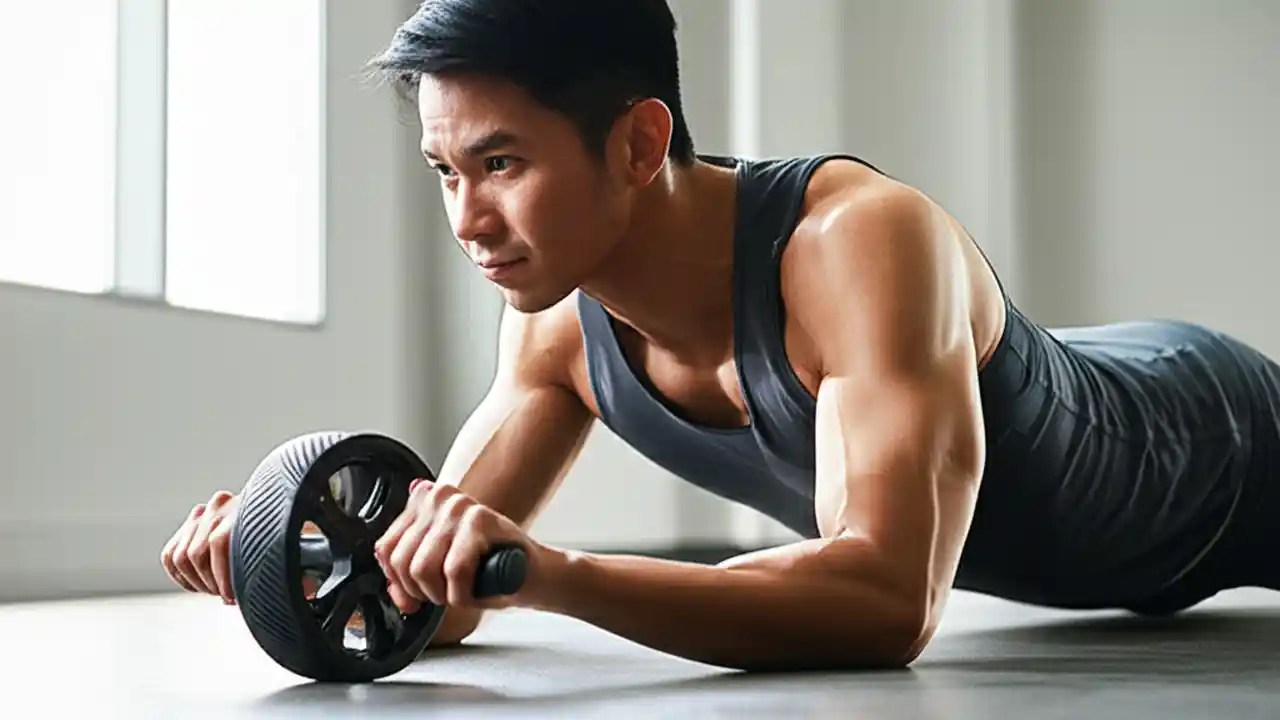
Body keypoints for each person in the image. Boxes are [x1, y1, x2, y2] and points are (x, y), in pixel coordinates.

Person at [159, 0, 1280, 671]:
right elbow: (444, 591)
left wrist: (562, 575)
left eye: (502, 164)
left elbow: (885, 601)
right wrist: (286, 558)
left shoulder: (857, 241)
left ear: (640, 142)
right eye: (446, 172)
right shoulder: (554, 325)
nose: (468, 221)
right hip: (1107, 512)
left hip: (1215, 445)